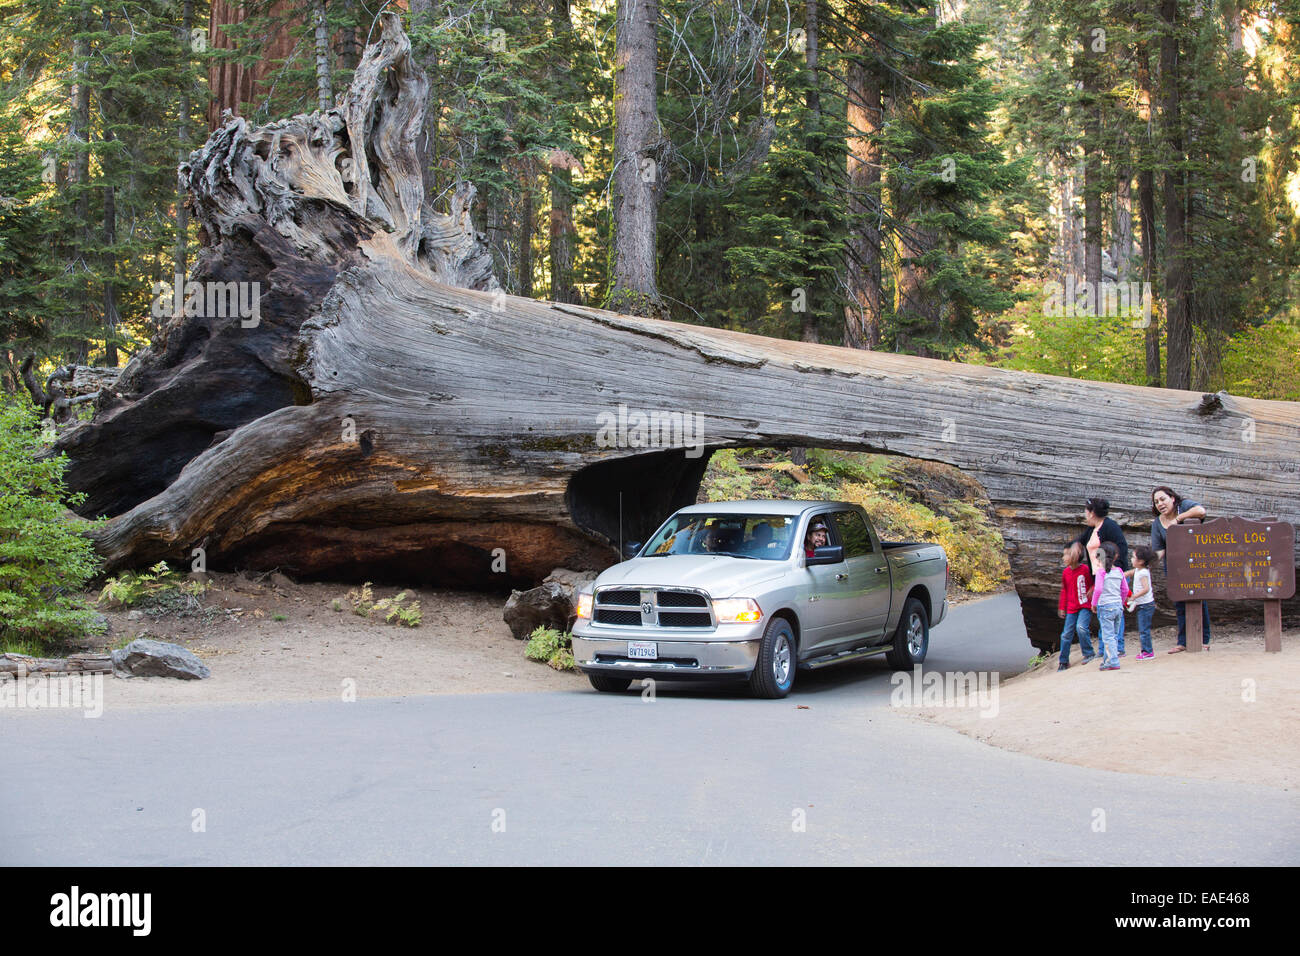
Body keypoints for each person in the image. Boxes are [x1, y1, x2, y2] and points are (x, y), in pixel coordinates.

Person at [1149, 485, 1211, 652]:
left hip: (1195, 564)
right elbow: (1159, 550)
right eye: (1156, 502)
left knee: (1199, 600)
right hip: (1175, 567)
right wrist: (1148, 565)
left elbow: (1201, 510)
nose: (1160, 504)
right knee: (1179, 603)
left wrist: (1177, 520)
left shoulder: (1183, 506)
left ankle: (1203, 640)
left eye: (1163, 499)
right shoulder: (1157, 524)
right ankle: (1183, 641)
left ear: (1172, 498)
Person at [1077, 496, 1130, 654]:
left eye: (1086, 511)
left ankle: (1117, 648)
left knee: (1113, 610)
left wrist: (1112, 573)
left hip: (1111, 576)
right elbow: (1080, 542)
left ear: (1092, 512)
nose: (1085, 514)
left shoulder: (1109, 527)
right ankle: (1105, 650)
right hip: (1100, 576)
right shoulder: (1092, 529)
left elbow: (1122, 549)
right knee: (1104, 613)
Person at [1090, 541, 1129, 671]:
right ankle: (1108, 660)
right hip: (1118, 607)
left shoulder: (1101, 572)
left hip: (1106, 607)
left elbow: (1098, 589)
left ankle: (1113, 661)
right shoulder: (1119, 571)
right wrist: (1121, 602)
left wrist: (1094, 603)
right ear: (1115, 556)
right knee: (1115, 635)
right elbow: (1125, 589)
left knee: (1107, 636)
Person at [1056, 541, 1095, 670]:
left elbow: (1094, 582)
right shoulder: (1066, 573)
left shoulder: (1085, 570)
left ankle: (1089, 653)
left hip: (1085, 605)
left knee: (1081, 628)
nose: (1063, 558)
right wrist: (1062, 607)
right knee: (1066, 634)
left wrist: (1092, 589)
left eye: (1066, 555)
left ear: (1075, 555)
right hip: (1071, 608)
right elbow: (1064, 590)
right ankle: (1063, 661)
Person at [1127, 545, 1157, 660]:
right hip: (1142, 605)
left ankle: (1148, 652)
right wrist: (1122, 574)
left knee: (1143, 629)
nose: (1131, 559)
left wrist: (1134, 597)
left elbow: (1146, 588)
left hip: (1146, 605)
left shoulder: (1143, 572)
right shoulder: (1139, 570)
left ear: (1141, 561)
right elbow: (1131, 572)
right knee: (1142, 628)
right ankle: (1146, 650)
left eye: (1133, 557)